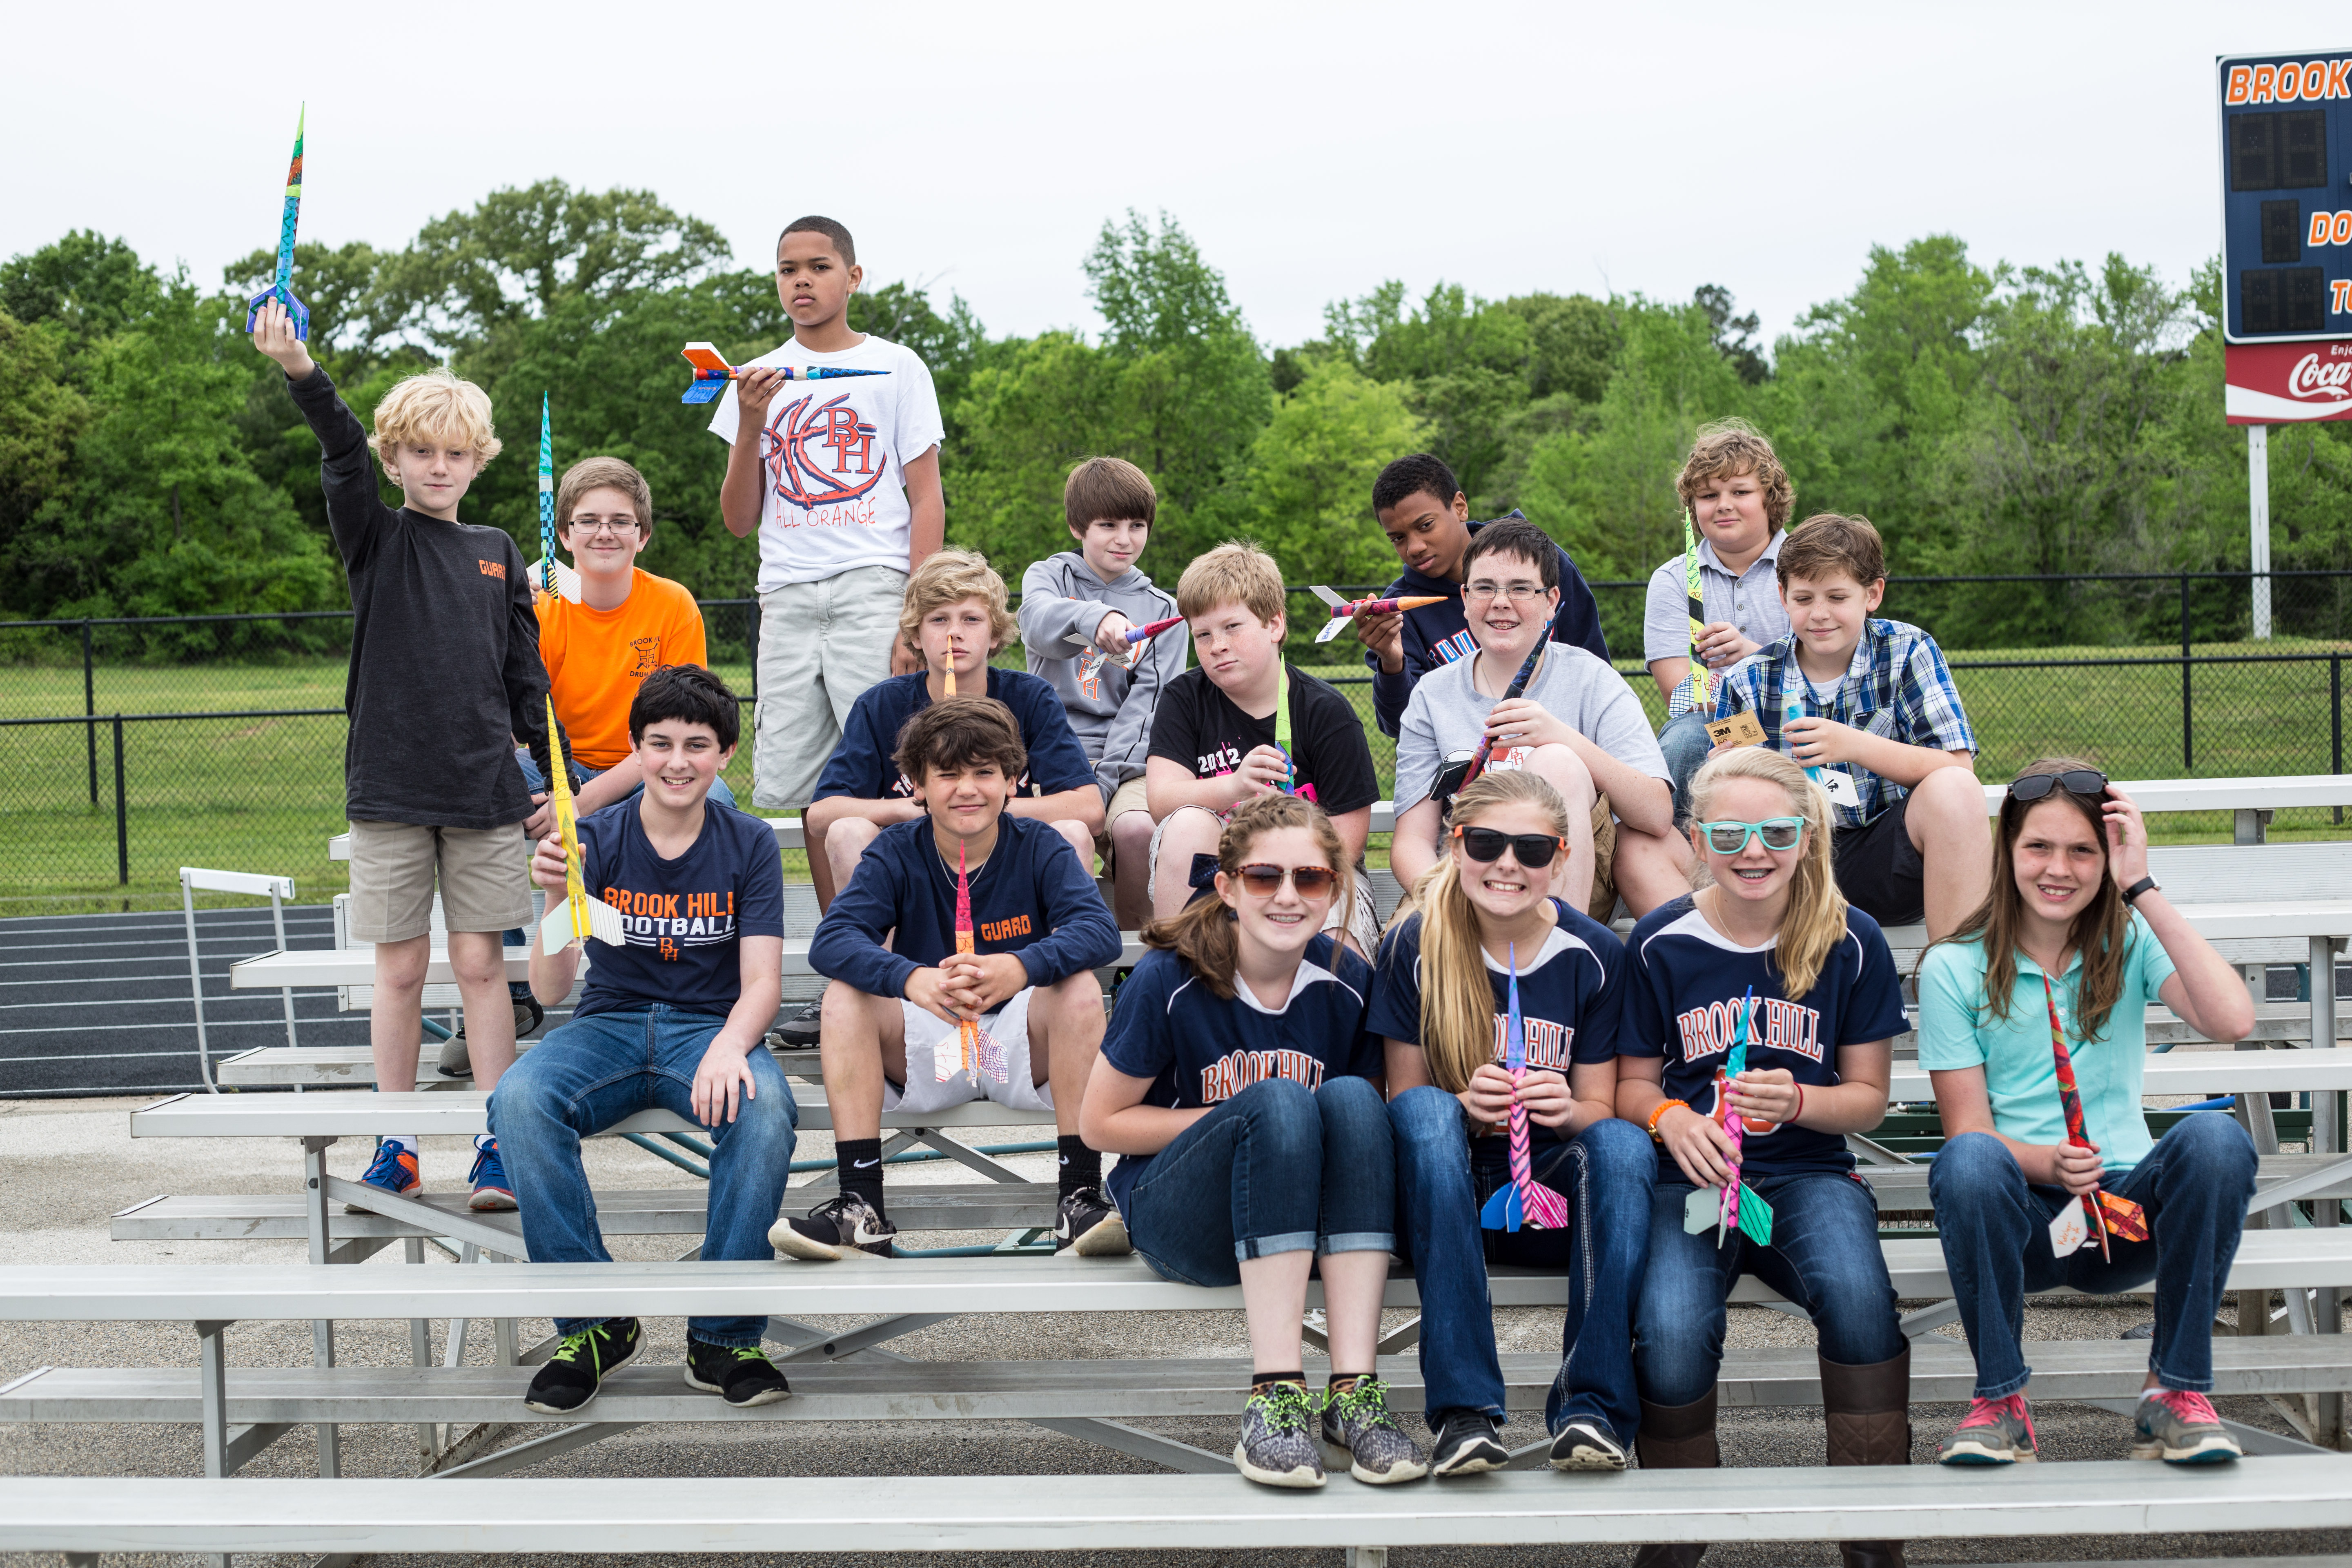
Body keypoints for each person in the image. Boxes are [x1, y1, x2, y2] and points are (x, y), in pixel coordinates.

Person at [249, 302, 552, 1209]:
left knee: (482, 967)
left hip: (487, 794)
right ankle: (399, 1139)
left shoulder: (499, 552)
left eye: (455, 453)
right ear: (396, 459)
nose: (438, 465)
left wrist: (541, 778)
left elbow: (522, 677)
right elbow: (338, 448)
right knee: (400, 970)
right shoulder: (375, 535)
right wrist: (302, 368)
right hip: (388, 788)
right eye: (421, 451)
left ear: (477, 460)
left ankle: (501, 1138)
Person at [1616, 746, 1912, 1568]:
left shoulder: (1850, 939)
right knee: (1670, 1331)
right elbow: (1633, 1085)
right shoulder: (1660, 941)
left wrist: (1800, 1103)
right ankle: (1680, 1528)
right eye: (1732, 831)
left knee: (1859, 1298)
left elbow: (1868, 1098)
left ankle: (1871, 1528)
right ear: (1697, 838)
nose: (1756, 850)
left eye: (1779, 830)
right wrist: (1671, 1118)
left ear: (1810, 836)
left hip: (1808, 1170)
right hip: (1692, 1177)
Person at [1081, 793, 1428, 1489]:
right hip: (1182, 1217)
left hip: (1299, 1225)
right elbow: (1101, 1124)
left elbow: (1355, 1137)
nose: (1288, 896)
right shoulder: (1167, 978)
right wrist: (1242, 1124)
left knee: (1357, 1099)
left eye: (1311, 878)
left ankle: (1353, 1393)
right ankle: (1275, 1394)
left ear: (1335, 889)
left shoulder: (1351, 982)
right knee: (1278, 1101)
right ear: (1229, 886)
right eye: (1266, 877)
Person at [1920, 761, 2257, 1468]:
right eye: (2038, 847)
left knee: (2216, 1140)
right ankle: (2000, 1403)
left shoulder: (2127, 941)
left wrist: (2143, 888)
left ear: (2108, 862)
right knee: (1968, 1161)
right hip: (2028, 1219)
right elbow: (1967, 1134)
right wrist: (2044, 1162)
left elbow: (2232, 1019)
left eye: (2083, 852)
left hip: (2122, 1214)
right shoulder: (1954, 966)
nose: (2059, 869)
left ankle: (2174, 1390)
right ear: (2006, 852)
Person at [488, 665, 796, 1415]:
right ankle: (594, 1323)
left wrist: (730, 1048)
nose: (677, 761)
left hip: (708, 1028)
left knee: (766, 1112)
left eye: (698, 745)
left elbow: (762, 984)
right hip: (612, 1022)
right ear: (636, 749)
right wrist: (556, 894)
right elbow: (554, 989)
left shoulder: (750, 843)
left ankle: (723, 1336)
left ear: (726, 754)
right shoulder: (591, 838)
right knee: (519, 1099)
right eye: (659, 744)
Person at [1375, 769, 1655, 1477]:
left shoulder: (1595, 954)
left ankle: (1592, 1409)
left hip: (1549, 1198)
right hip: (1448, 1195)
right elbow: (1403, 1105)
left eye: (1532, 850)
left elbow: (1602, 1106)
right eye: (1488, 843)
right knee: (1431, 1112)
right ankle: (1465, 1414)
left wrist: (1568, 1108)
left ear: (1561, 860)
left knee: (1620, 1143)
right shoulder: (1415, 943)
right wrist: (1466, 1109)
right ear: (1454, 844)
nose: (1508, 864)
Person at [783, 697, 1123, 1260]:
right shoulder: (895, 850)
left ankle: (1080, 1198)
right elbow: (834, 939)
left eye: (985, 772)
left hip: (1013, 1049)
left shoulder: (1040, 846)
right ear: (915, 785)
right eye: (947, 774)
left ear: (1013, 781)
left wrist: (1020, 967)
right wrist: (910, 977)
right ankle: (861, 1205)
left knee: (1081, 989)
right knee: (845, 999)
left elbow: (1099, 932)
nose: (967, 788)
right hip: (931, 1044)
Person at [468, 457, 735, 1077]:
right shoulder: (538, 598)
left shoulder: (671, 604)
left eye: (622, 521)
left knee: (713, 798)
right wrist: (555, 791)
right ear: (563, 534)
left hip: (641, 764)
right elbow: (511, 719)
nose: (605, 533)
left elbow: (682, 734)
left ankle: (681, 983)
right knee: (489, 798)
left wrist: (583, 805)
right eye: (588, 521)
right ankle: (512, 995)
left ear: (644, 534)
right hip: (550, 764)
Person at [783, 550, 1105, 1047]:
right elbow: (823, 814)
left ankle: (1044, 987)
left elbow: (1089, 807)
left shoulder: (1030, 697)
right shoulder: (884, 702)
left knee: (1072, 833)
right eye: (939, 620)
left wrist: (981, 806)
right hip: (914, 884)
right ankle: (877, 989)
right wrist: (909, 808)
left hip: (1006, 884)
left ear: (995, 634)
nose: (954, 633)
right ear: (914, 635)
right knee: (850, 830)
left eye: (971, 619)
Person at [708, 215, 944, 812]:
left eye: (820, 267)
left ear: (854, 276)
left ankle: (898, 907)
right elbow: (738, 522)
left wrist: (917, 617)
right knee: (791, 791)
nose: (802, 281)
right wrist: (751, 425)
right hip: (786, 598)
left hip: (874, 590)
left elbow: (927, 498)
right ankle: (824, 913)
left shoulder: (898, 366)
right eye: (789, 270)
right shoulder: (753, 378)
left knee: (896, 772)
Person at [1708, 513, 1989, 940]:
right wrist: (1725, 768)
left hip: (1885, 856)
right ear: (1782, 597)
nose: (1819, 615)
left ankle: (1954, 977)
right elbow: (1725, 781)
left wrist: (1854, 745)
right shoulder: (1746, 680)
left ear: (1873, 594)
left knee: (1955, 789)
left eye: (1837, 597)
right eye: (1803, 599)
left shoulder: (1908, 651)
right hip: (1787, 861)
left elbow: (1957, 766)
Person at [1391, 519, 1689, 920]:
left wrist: (1563, 739)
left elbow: (1655, 815)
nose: (1500, 601)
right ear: (1464, 598)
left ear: (1551, 601)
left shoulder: (1594, 679)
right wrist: (1446, 901)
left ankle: (1555, 958)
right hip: (1464, 878)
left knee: (1557, 763)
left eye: (1520, 588)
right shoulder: (1431, 695)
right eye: (1484, 588)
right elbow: (1412, 840)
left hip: (1573, 882)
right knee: (1403, 945)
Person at [1145, 541, 1382, 955]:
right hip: (1222, 869)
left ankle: (1331, 1007)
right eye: (1202, 634)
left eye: (1232, 628)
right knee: (1185, 826)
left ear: (1274, 625)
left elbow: (1348, 842)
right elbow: (1162, 799)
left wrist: (1275, 882)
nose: (1217, 645)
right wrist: (1234, 786)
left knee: (1336, 942)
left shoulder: (1326, 711)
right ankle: (1176, 983)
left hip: (1316, 873)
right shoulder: (1184, 697)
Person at [1018, 457, 1187, 929]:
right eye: (1108, 524)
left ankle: (1132, 961)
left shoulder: (1165, 611)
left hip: (1127, 763)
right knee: (1059, 833)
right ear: (1077, 527)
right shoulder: (1050, 578)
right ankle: (1058, 955)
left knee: (1136, 830)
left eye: (1137, 525)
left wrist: (1103, 785)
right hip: (1049, 754)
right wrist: (1094, 619)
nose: (1124, 538)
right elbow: (1036, 626)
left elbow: (1149, 710)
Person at [1353, 452, 1608, 739]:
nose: (1414, 547)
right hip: (1471, 772)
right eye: (1398, 538)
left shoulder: (1539, 561)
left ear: (1460, 507)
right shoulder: (1400, 610)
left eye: (1425, 526)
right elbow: (1401, 727)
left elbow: (1596, 668)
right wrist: (1391, 663)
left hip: (1564, 751)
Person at [1642, 420, 1795, 822]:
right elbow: (1685, 698)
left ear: (1770, 500)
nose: (1724, 504)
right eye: (1709, 495)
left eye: (1740, 492)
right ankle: (1675, 861)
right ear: (1693, 508)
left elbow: (1829, 674)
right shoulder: (1673, 580)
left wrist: (1751, 656)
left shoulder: (1809, 567)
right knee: (1689, 739)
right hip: (1722, 728)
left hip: (1806, 722)